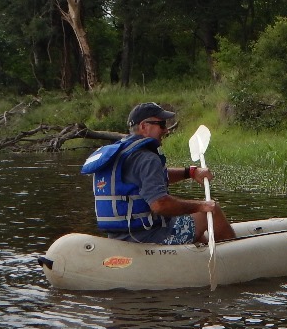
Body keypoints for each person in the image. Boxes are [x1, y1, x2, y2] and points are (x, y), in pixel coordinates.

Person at [81, 101, 234, 245]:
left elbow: (153, 177)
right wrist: (201, 206)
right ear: (143, 126)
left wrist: (190, 172)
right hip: (148, 237)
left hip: (121, 236)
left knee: (194, 230)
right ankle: (232, 257)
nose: (166, 130)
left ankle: (198, 253)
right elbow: (160, 205)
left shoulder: (120, 153)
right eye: (161, 125)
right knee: (212, 211)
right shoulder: (147, 158)